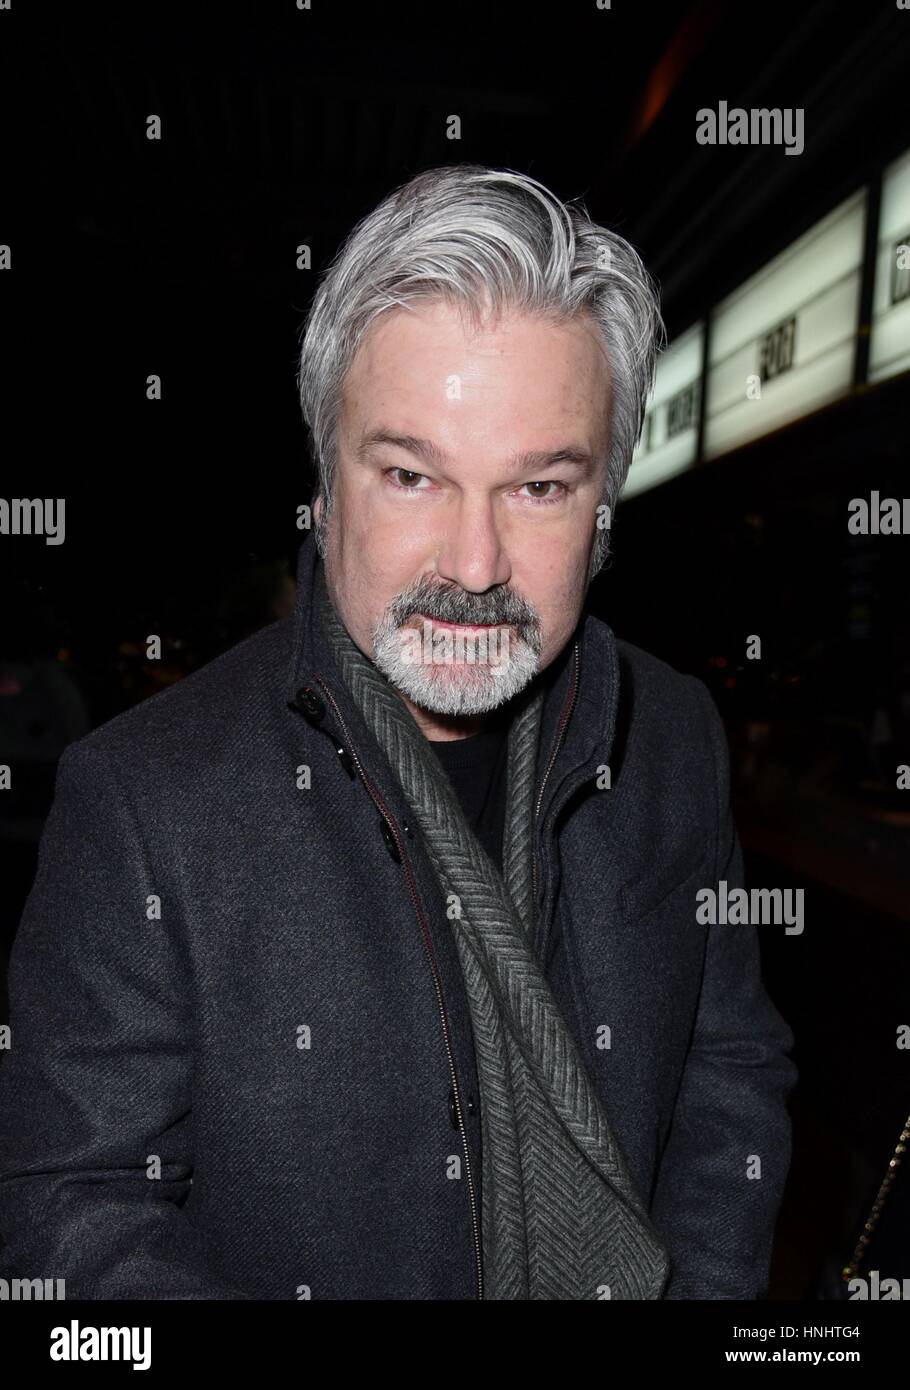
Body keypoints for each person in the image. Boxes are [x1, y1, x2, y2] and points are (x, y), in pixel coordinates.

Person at [0, 164, 797, 1300]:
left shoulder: (670, 733)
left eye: (539, 489)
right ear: (325, 485)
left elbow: (728, 1072)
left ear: (605, 507)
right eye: (412, 474)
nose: (473, 568)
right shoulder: (142, 798)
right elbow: (67, 1207)